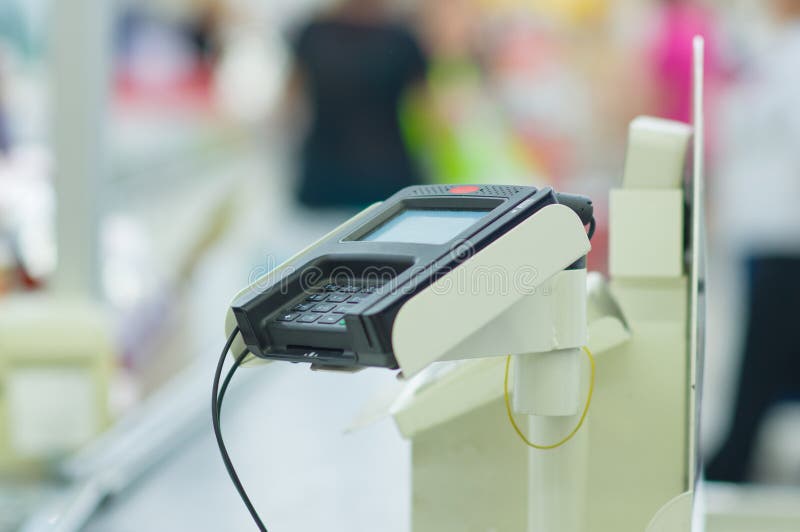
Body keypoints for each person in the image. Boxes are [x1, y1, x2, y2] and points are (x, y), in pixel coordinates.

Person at [705, 0, 800, 483]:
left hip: (787, 234)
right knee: (764, 354)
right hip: (757, 231)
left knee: (763, 357)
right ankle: (735, 453)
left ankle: (734, 457)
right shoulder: (764, 51)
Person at [287, 0, 428, 209]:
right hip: (370, 175)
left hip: (347, 176)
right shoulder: (401, 37)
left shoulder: (313, 34)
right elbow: (425, 112)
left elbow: (290, 104)